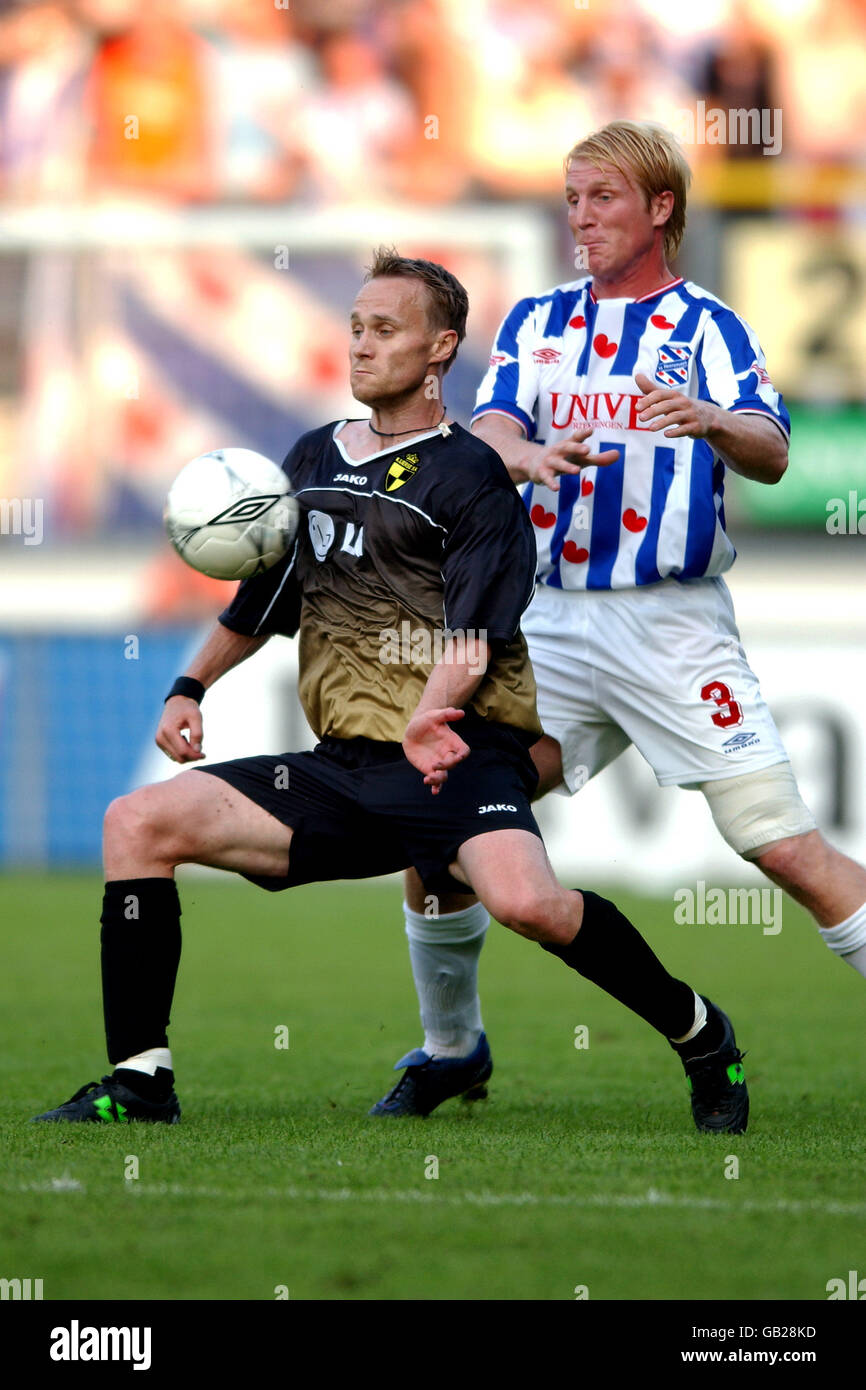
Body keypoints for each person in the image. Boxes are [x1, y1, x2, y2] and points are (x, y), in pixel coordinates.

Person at [33, 248, 746, 1133]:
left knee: (532, 905)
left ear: (442, 348)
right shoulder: (310, 456)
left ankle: (702, 1034)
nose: (362, 346)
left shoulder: (474, 477)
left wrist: (424, 720)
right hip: (339, 772)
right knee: (134, 823)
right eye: (357, 327)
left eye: (386, 330)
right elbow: (268, 597)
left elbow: (473, 640)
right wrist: (189, 685)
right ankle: (141, 1084)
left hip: (456, 760)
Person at [370, 119, 866, 1120]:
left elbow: (767, 449)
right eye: (571, 198)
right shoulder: (539, 320)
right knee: (439, 825)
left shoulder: (705, 326)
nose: (579, 217)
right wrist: (516, 455)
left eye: (600, 197)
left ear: (658, 208)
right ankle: (450, 1048)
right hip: (547, 625)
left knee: (780, 846)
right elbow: (499, 419)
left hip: (672, 627)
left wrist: (709, 420)